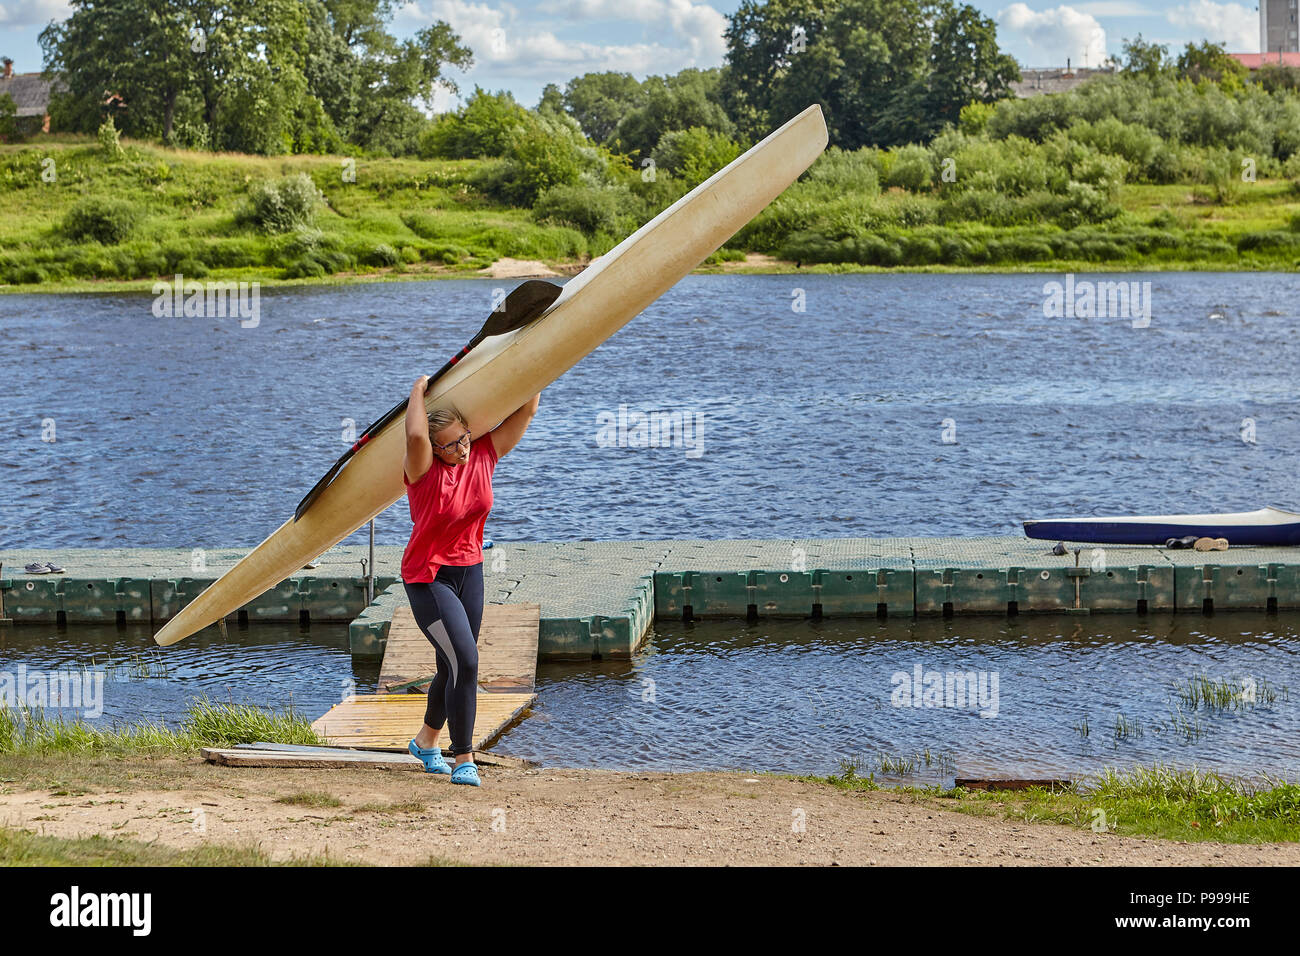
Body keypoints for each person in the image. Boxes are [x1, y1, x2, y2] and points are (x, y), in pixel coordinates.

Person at [401, 375, 540, 787]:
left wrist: (536, 359)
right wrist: (417, 392)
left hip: (470, 571)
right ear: (434, 448)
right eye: (449, 445)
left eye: (463, 438)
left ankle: (425, 742)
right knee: (467, 659)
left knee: (452, 663)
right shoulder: (423, 471)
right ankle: (464, 758)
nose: (460, 449)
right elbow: (413, 437)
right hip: (428, 578)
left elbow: (527, 408)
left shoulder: (482, 453)